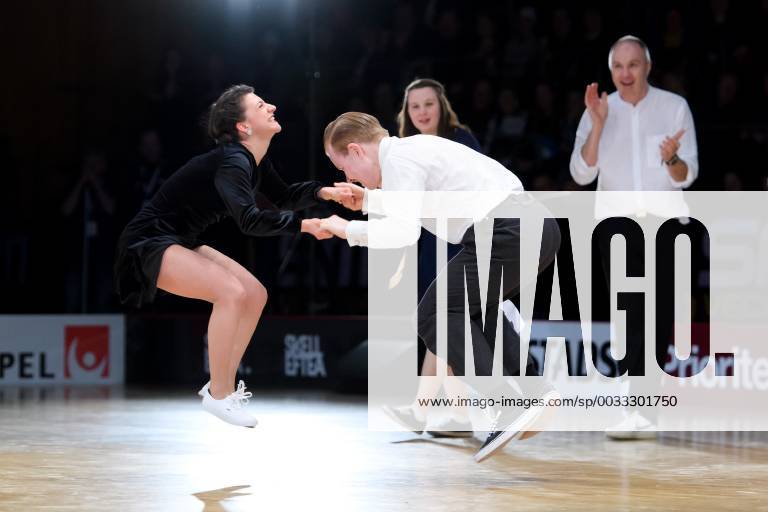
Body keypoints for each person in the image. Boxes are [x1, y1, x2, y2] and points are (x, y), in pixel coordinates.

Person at [320, 112, 561, 462]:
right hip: (533, 226)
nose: (348, 178)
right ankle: (532, 390)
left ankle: (504, 404)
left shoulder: (399, 159)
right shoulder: (410, 152)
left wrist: (347, 230)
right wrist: (369, 202)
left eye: (344, 167)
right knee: (474, 310)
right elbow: (420, 202)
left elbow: (403, 232)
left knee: (434, 313)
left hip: (506, 231)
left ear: (356, 150)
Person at [114, 85, 349, 428]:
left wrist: (324, 191)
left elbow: (281, 196)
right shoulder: (233, 160)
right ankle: (220, 394)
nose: (272, 105)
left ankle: (221, 388)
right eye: (260, 105)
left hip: (180, 237)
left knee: (255, 294)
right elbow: (250, 220)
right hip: (147, 241)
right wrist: (306, 226)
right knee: (230, 292)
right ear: (244, 127)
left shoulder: (252, 159)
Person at [569, 35, 699, 439]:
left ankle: (642, 408)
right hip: (616, 223)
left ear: (648, 66)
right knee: (628, 314)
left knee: (657, 315)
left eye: (633, 65)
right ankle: (635, 405)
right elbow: (581, 173)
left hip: (664, 222)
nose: (626, 74)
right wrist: (598, 124)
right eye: (618, 66)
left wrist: (671, 158)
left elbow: (687, 175)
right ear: (611, 71)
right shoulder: (598, 109)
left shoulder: (674, 106)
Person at [393, 78, 483, 437]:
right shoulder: (406, 148)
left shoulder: (462, 140)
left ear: (441, 105)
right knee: (442, 328)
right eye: (415, 106)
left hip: (463, 242)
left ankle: (424, 410)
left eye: (428, 104)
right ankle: (457, 417)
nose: (422, 112)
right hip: (430, 245)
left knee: (445, 325)